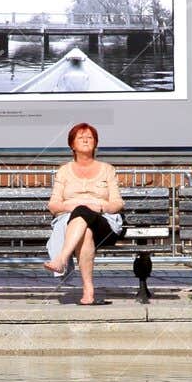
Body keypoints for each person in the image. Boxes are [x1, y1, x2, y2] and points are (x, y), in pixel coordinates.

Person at [43, 122, 125, 306]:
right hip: (74, 225)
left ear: (95, 143)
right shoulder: (64, 171)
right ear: (72, 144)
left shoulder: (107, 169)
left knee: (83, 211)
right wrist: (74, 206)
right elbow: (54, 205)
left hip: (104, 223)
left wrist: (100, 207)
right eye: (81, 137)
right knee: (84, 228)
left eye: (90, 137)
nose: (86, 140)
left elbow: (117, 203)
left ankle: (61, 259)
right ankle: (88, 291)